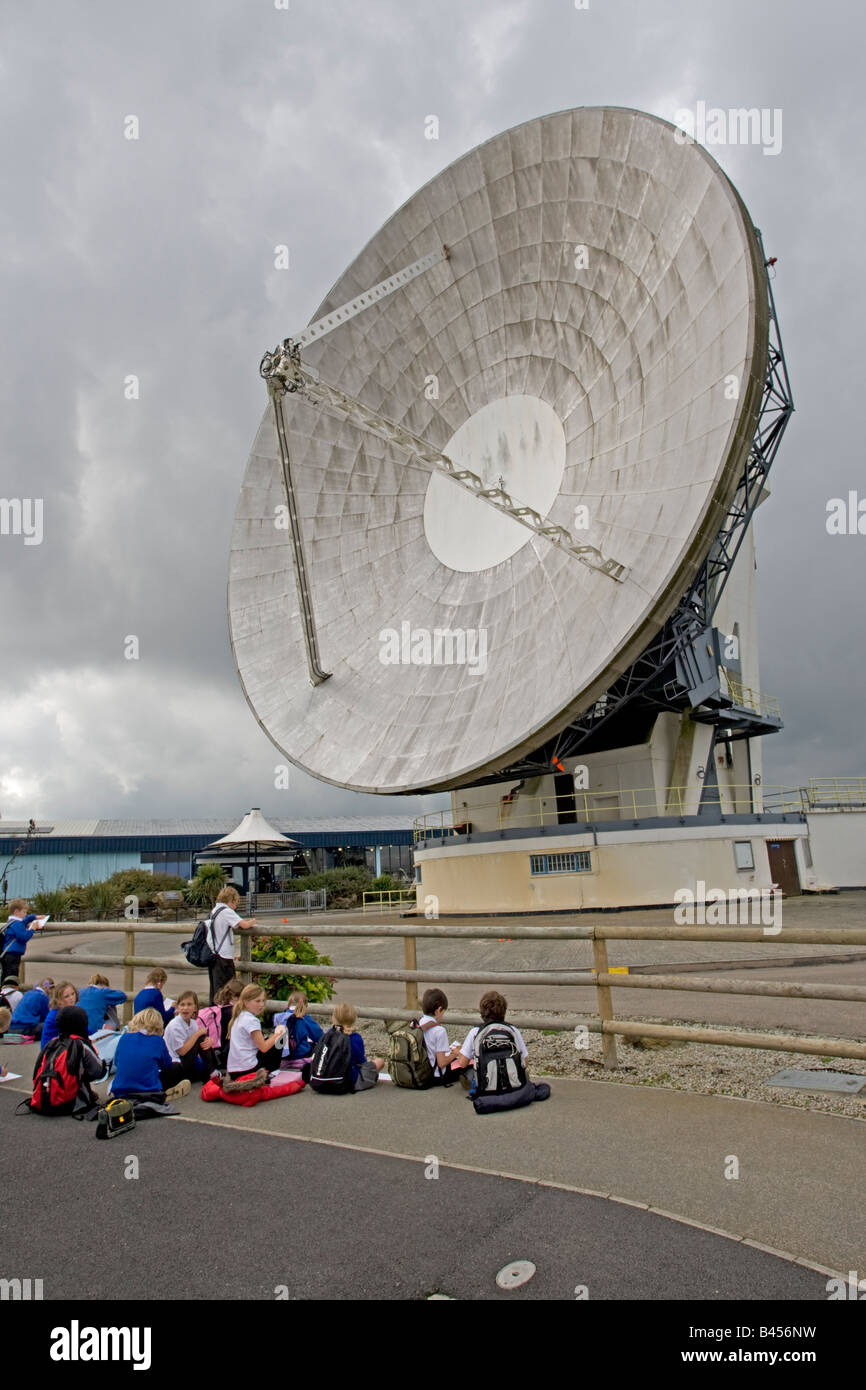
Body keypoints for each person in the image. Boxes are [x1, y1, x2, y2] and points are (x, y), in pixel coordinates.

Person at [453, 990, 550, 1109]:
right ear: (504, 1012)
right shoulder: (512, 1030)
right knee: (524, 1073)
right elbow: (525, 1061)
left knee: (466, 1074)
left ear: (483, 1013)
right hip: (513, 1082)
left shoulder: (475, 1032)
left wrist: (458, 1052)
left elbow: (462, 1063)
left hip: (486, 1087)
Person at [32, 1005, 108, 1114]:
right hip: (69, 1104)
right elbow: (99, 1071)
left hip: (42, 1101)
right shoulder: (80, 1044)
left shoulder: (51, 1043)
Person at [111, 1008, 191, 1103]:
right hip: (148, 1092)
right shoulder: (158, 1040)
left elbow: (117, 1062)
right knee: (176, 1067)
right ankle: (163, 1093)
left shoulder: (124, 1038)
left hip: (120, 1092)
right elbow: (167, 1065)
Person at [205, 887, 257, 1004]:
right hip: (223, 956)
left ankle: (215, 1012)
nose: (236, 906)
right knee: (228, 988)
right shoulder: (226, 911)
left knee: (216, 988)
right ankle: (226, 1011)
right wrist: (253, 921)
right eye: (236, 902)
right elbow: (244, 925)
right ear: (231, 900)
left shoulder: (214, 911)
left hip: (214, 954)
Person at [225, 984, 286, 1079]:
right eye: (257, 1001)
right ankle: (273, 1072)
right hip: (248, 1069)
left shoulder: (239, 1016)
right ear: (246, 1002)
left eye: (263, 1001)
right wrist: (278, 1034)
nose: (261, 1005)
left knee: (270, 1039)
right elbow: (264, 1048)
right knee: (279, 1040)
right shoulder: (252, 1020)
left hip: (233, 1070)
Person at [163, 990, 215, 1083]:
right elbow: (181, 1051)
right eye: (182, 1005)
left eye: (189, 1004)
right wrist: (198, 1035)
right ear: (178, 1007)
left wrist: (209, 1041)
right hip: (176, 1063)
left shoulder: (193, 1023)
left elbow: (195, 1045)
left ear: (195, 1008)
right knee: (200, 1037)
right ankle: (211, 1072)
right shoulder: (175, 1025)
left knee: (203, 1039)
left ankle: (209, 1071)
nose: (185, 1008)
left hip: (188, 1060)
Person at [333, 1000, 384, 1092]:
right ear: (354, 1019)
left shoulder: (329, 1035)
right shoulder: (355, 1038)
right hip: (350, 1079)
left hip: (330, 1074)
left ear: (334, 1018)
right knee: (379, 1061)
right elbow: (361, 1061)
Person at [417, 987, 463, 1085]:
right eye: (443, 1013)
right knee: (466, 1062)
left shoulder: (419, 1023)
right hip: (437, 1076)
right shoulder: (439, 1031)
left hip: (423, 1071)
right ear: (439, 1010)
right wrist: (456, 1053)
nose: (442, 1016)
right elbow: (442, 1063)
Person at [274, 990, 323, 1068]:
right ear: (305, 1006)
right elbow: (319, 1036)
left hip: (282, 1058)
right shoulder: (305, 1018)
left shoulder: (279, 1017)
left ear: (289, 1004)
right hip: (301, 1057)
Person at [1, 899, 45, 984]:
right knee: (11, 977)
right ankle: (9, 993)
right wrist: (32, 929)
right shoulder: (17, 924)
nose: (25, 914)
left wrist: (34, 917)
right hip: (12, 956)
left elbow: (25, 920)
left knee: (7, 975)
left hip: (9, 954)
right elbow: (24, 937)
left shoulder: (13, 921)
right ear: (17, 912)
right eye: (24, 912)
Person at [40, 981, 79, 1050]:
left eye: (73, 994)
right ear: (59, 1001)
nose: (71, 998)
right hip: (52, 1053)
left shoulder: (68, 1010)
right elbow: (81, 1031)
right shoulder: (59, 1015)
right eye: (66, 996)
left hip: (59, 1047)